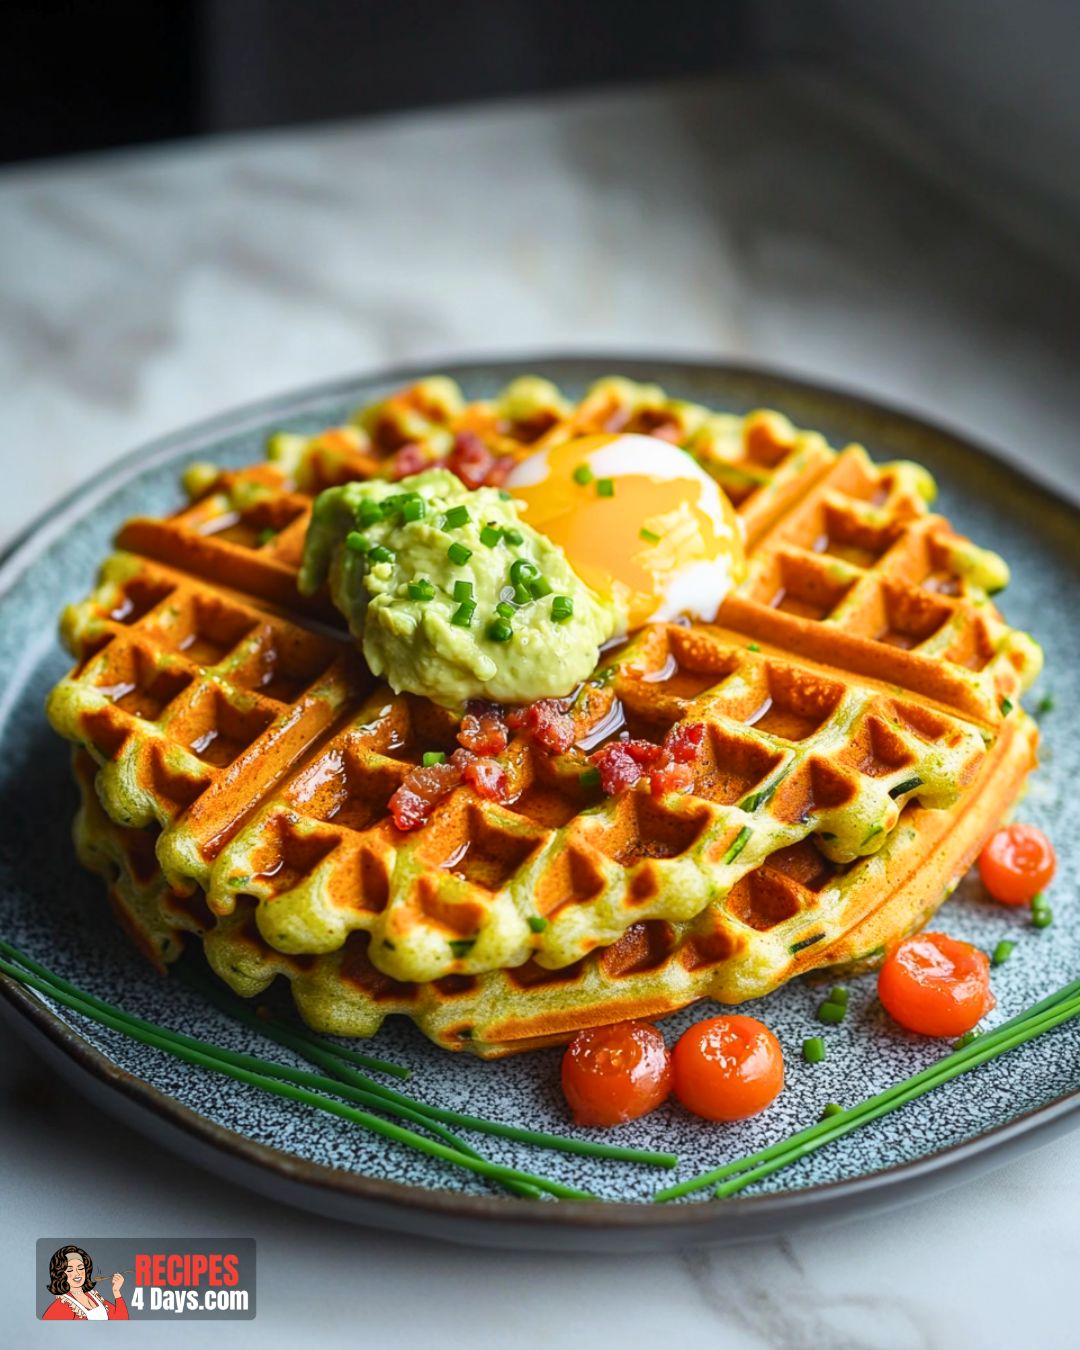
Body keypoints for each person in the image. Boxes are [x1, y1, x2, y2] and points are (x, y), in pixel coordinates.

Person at [41, 1245, 128, 1320]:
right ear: (60, 1274)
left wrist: (116, 1291)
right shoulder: (61, 1306)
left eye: (81, 1268)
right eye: (70, 1270)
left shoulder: (93, 1296)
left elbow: (121, 1320)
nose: (77, 1273)